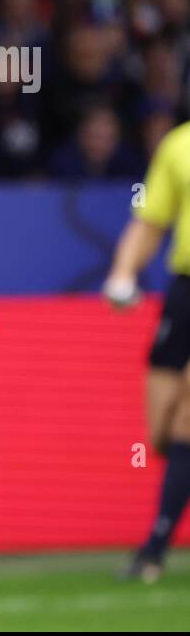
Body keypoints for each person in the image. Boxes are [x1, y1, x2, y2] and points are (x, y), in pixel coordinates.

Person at [103, 121, 190, 582]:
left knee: (186, 421)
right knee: (161, 431)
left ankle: (152, 551)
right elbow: (150, 221)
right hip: (183, 292)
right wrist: (123, 272)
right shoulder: (178, 145)